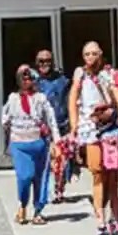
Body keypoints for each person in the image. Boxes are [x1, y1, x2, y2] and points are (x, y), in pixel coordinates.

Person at [68, 41, 118, 235]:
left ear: (101, 54)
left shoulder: (109, 74)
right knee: (97, 173)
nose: (91, 58)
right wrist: (74, 125)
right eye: (87, 54)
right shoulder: (80, 74)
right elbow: (73, 98)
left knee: (112, 176)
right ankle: (100, 219)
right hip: (90, 129)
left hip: (110, 129)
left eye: (94, 54)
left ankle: (116, 216)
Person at [2, 64, 59, 225]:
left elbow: (51, 119)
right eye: (23, 78)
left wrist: (57, 141)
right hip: (20, 143)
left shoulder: (41, 98)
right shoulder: (13, 98)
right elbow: (4, 119)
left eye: (29, 78)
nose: (26, 81)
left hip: (39, 143)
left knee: (40, 178)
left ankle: (38, 210)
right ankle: (22, 203)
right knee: (24, 176)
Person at [32, 50, 72, 202]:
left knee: (60, 159)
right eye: (41, 61)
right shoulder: (33, 82)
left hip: (61, 123)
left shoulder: (62, 81)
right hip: (40, 126)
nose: (44, 64)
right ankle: (45, 190)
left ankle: (59, 189)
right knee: (44, 161)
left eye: (48, 61)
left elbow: (69, 101)